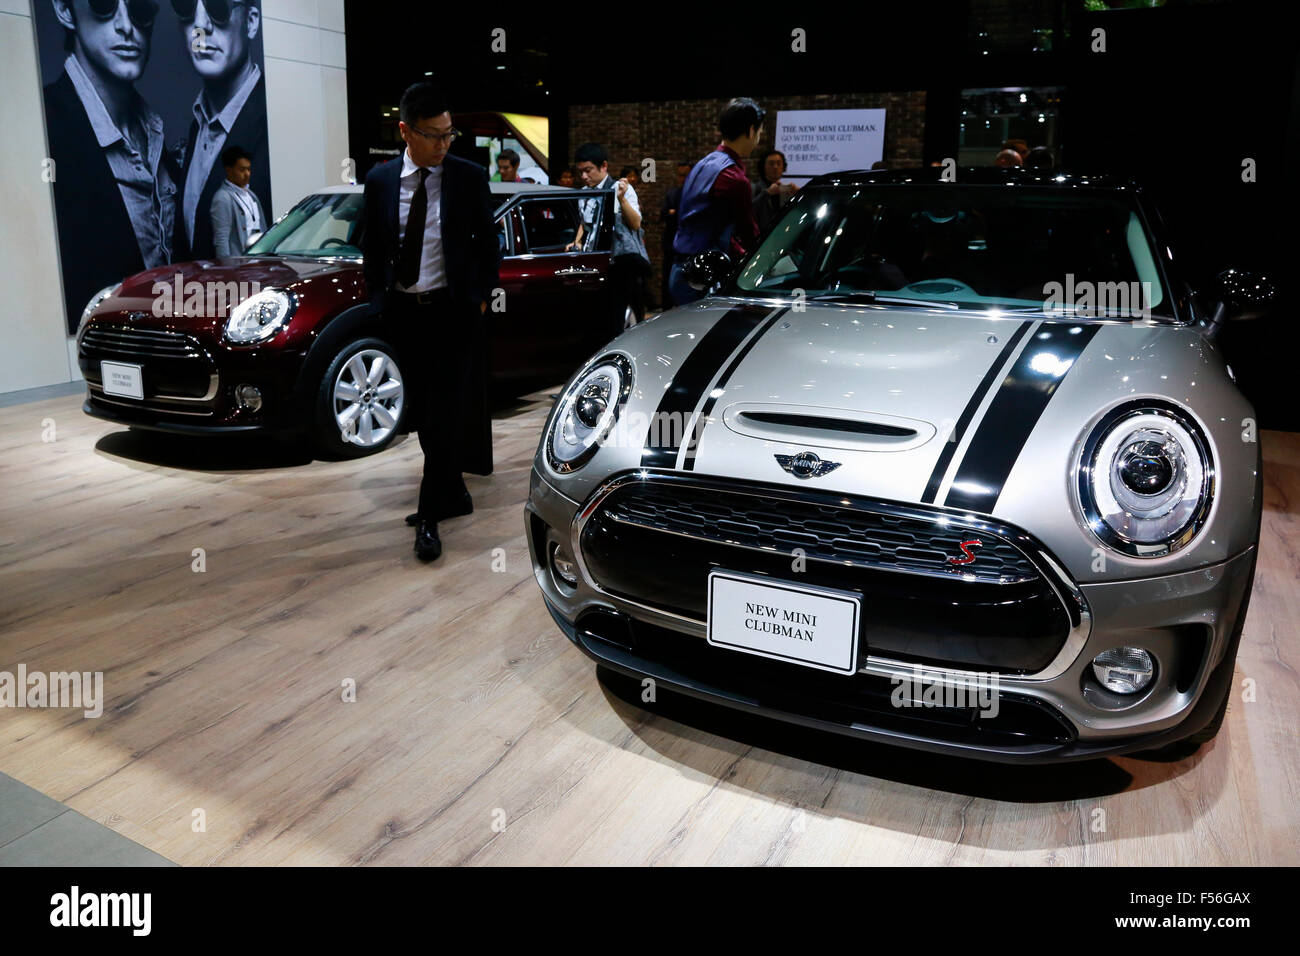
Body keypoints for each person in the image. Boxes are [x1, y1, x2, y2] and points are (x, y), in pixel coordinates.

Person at [360, 82, 500, 562]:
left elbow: (488, 242)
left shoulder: (467, 177)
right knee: (420, 412)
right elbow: (373, 248)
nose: (444, 144)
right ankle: (454, 491)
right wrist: (378, 300)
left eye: (449, 134)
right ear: (405, 131)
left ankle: (428, 517)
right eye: (434, 136)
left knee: (443, 412)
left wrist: (480, 299)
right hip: (404, 314)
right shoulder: (379, 182)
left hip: (453, 313)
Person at [45, 0, 177, 333]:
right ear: (64, 9)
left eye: (140, 9)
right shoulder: (45, 125)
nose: (126, 25)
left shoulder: (158, 133)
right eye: (103, 4)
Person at [173, 0, 271, 261]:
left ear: (251, 22)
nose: (200, 26)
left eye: (218, 7)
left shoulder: (275, 120)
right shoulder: (198, 125)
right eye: (184, 6)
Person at [670, 97, 765, 304]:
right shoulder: (733, 177)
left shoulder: (704, 164)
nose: (758, 138)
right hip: (703, 278)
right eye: (759, 132)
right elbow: (749, 233)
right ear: (750, 131)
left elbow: (711, 225)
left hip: (681, 270)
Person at [566, 143, 650, 334]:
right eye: (581, 172)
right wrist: (577, 240)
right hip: (595, 262)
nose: (584, 177)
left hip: (620, 262)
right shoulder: (585, 193)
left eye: (588, 170)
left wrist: (621, 200)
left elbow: (636, 223)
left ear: (603, 166)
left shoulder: (621, 189)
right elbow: (585, 223)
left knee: (619, 317)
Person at [209, 145, 265, 256]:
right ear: (229, 170)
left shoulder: (251, 195)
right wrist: (227, 268)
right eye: (242, 170)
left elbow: (263, 228)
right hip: (238, 263)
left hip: (257, 260)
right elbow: (221, 238)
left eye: (249, 169)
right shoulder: (222, 197)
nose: (247, 174)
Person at [658, 161, 691, 308]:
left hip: (689, 245)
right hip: (671, 243)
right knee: (667, 279)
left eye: (685, 175)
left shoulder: (694, 195)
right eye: (680, 175)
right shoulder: (672, 193)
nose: (682, 179)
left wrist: (674, 213)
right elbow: (663, 214)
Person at [752, 148, 797, 235]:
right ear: (763, 166)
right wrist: (767, 193)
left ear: (783, 167)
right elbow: (749, 211)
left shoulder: (785, 191)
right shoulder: (754, 188)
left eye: (779, 163)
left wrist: (799, 193)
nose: (775, 167)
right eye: (771, 164)